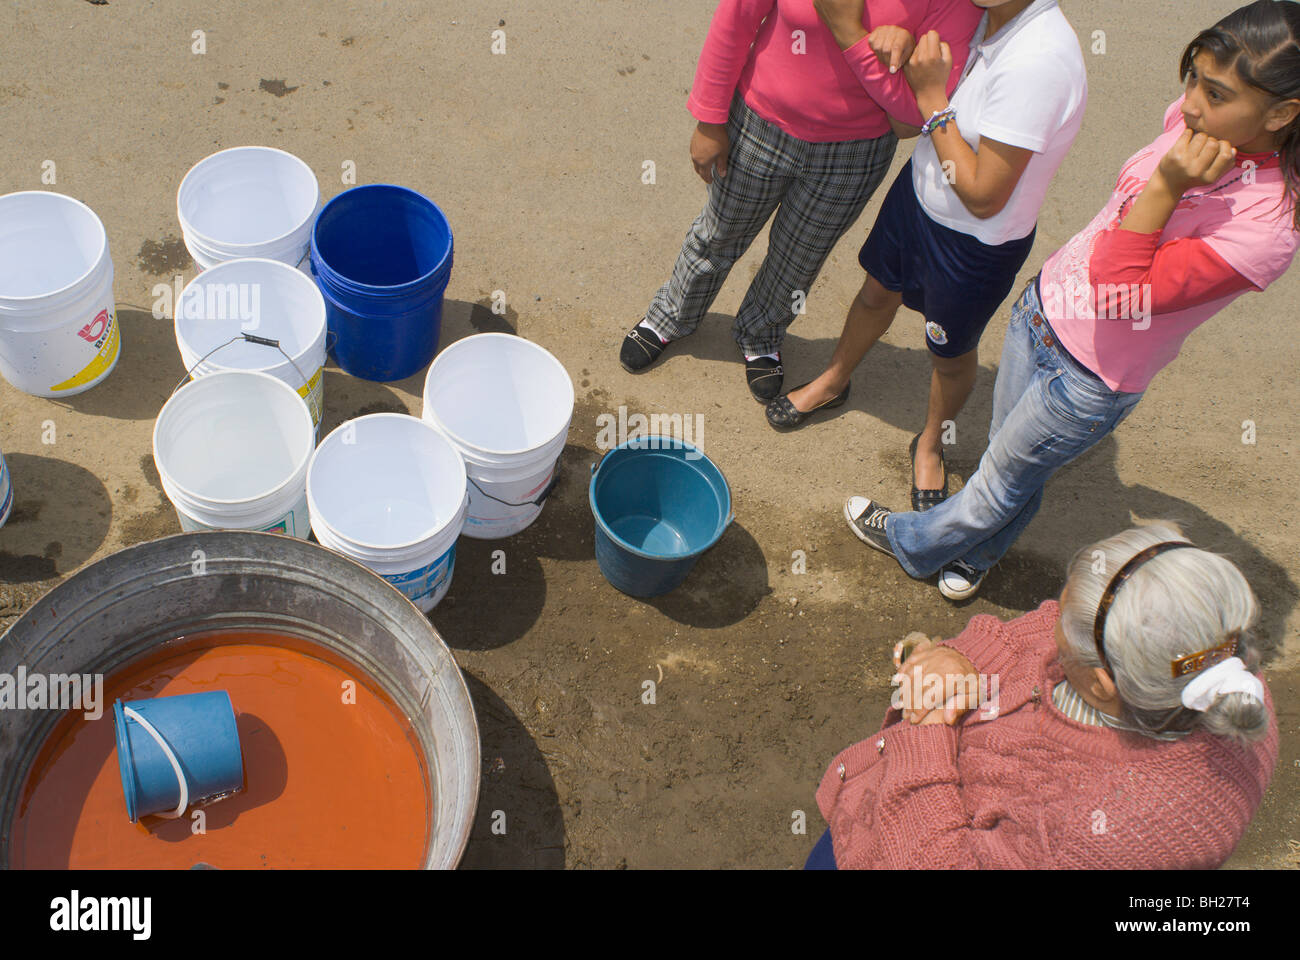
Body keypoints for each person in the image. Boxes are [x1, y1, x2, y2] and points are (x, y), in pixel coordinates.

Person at [844, 0, 1300, 600]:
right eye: (1193, 77)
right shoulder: (1198, 130)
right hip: (1041, 315)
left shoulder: (1266, 229)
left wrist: (1166, 185)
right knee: (1006, 468)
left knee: (1000, 483)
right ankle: (978, 554)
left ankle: (911, 541)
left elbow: (1118, 294)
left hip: (1090, 377)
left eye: (1216, 94)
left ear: (1283, 112)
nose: (1189, 104)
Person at [768, 0, 1087, 523]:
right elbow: (913, 87)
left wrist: (933, 96)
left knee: (949, 351)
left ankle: (931, 445)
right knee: (875, 293)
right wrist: (898, 37)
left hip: (975, 242)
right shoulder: (986, 15)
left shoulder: (1041, 61)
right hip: (918, 195)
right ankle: (833, 380)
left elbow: (983, 194)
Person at [807, 522, 1279, 869]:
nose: (1047, 620)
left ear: (1102, 684)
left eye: (1061, 634)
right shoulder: (1217, 663)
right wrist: (961, 658)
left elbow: (941, 862)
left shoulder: (1098, 831)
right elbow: (1050, 628)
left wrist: (927, 728)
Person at [619, 0, 983, 402]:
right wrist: (710, 117)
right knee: (720, 232)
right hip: (759, 123)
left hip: (853, 155)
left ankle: (761, 334)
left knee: (800, 256)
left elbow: (918, 112)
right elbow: (735, 18)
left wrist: (853, 36)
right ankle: (672, 314)